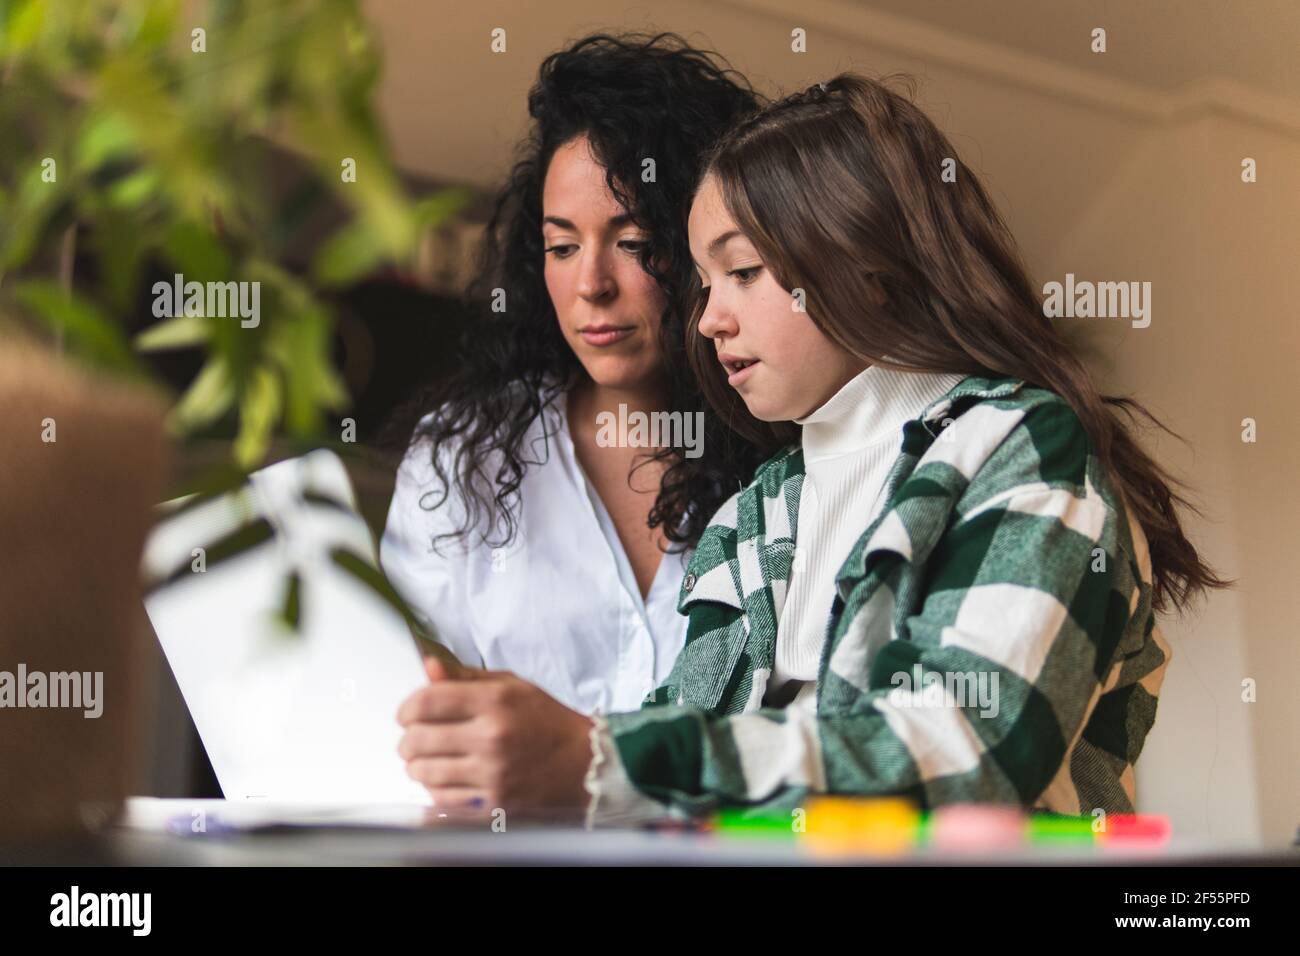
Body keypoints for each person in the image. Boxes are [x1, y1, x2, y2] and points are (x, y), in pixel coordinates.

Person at [395, 73, 1228, 823]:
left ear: (862, 263)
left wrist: (603, 760)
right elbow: (680, 779)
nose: (709, 318)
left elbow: (971, 752)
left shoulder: (1019, 448)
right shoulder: (754, 515)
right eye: (703, 282)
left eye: (744, 272)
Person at [380, 34, 774, 717]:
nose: (590, 284)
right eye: (562, 246)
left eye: (635, 244)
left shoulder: (790, 462)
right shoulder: (460, 459)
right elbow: (406, 714)